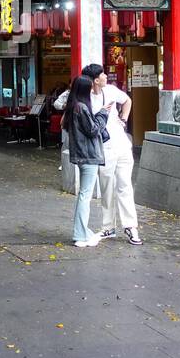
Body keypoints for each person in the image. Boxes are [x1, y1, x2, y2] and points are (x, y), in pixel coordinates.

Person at [82, 64, 141, 245]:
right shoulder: (85, 98)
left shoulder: (111, 90)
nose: (106, 76)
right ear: (95, 80)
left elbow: (127, 101)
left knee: (125, 186)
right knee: (107, 187)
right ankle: (108, 226)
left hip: (121, 144)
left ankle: (131, 226)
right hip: (104, 147)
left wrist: (123, 118)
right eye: (102, 75)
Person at [64, 75, 108, 247]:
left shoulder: (73, 107)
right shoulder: (81, 107)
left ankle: (82, 231)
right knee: (85, 195)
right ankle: (80, 234)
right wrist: (104, 113)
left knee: (84, 194)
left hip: (81, 155)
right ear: (83, 90)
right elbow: (93, 129)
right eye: (89, 88)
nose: (91, 90)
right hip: (89, 155)